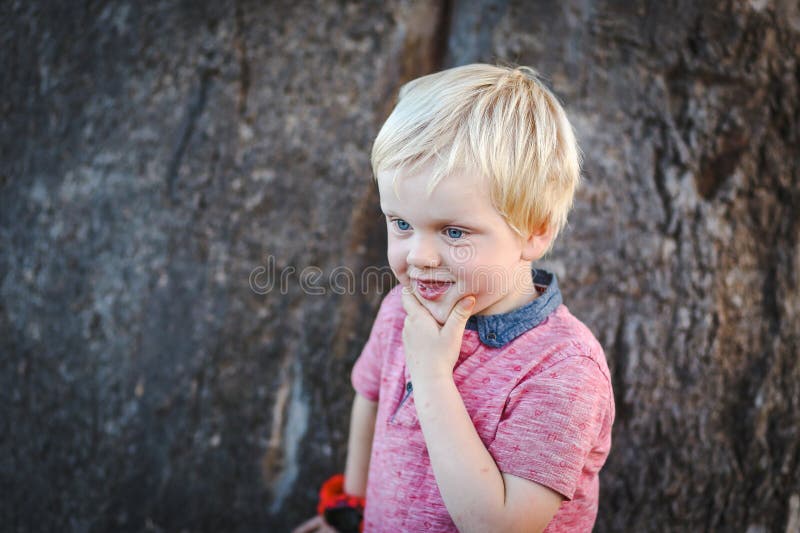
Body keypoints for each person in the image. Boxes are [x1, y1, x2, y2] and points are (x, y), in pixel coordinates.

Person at [293, 63, 614, 533]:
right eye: (401, 223)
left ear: (534, 232)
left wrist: (431, 372)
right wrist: (350, 511)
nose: (420, 256)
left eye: (454, 231)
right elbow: (370, 397)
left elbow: (498, 525)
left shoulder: (562, 369)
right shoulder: (401, 307)